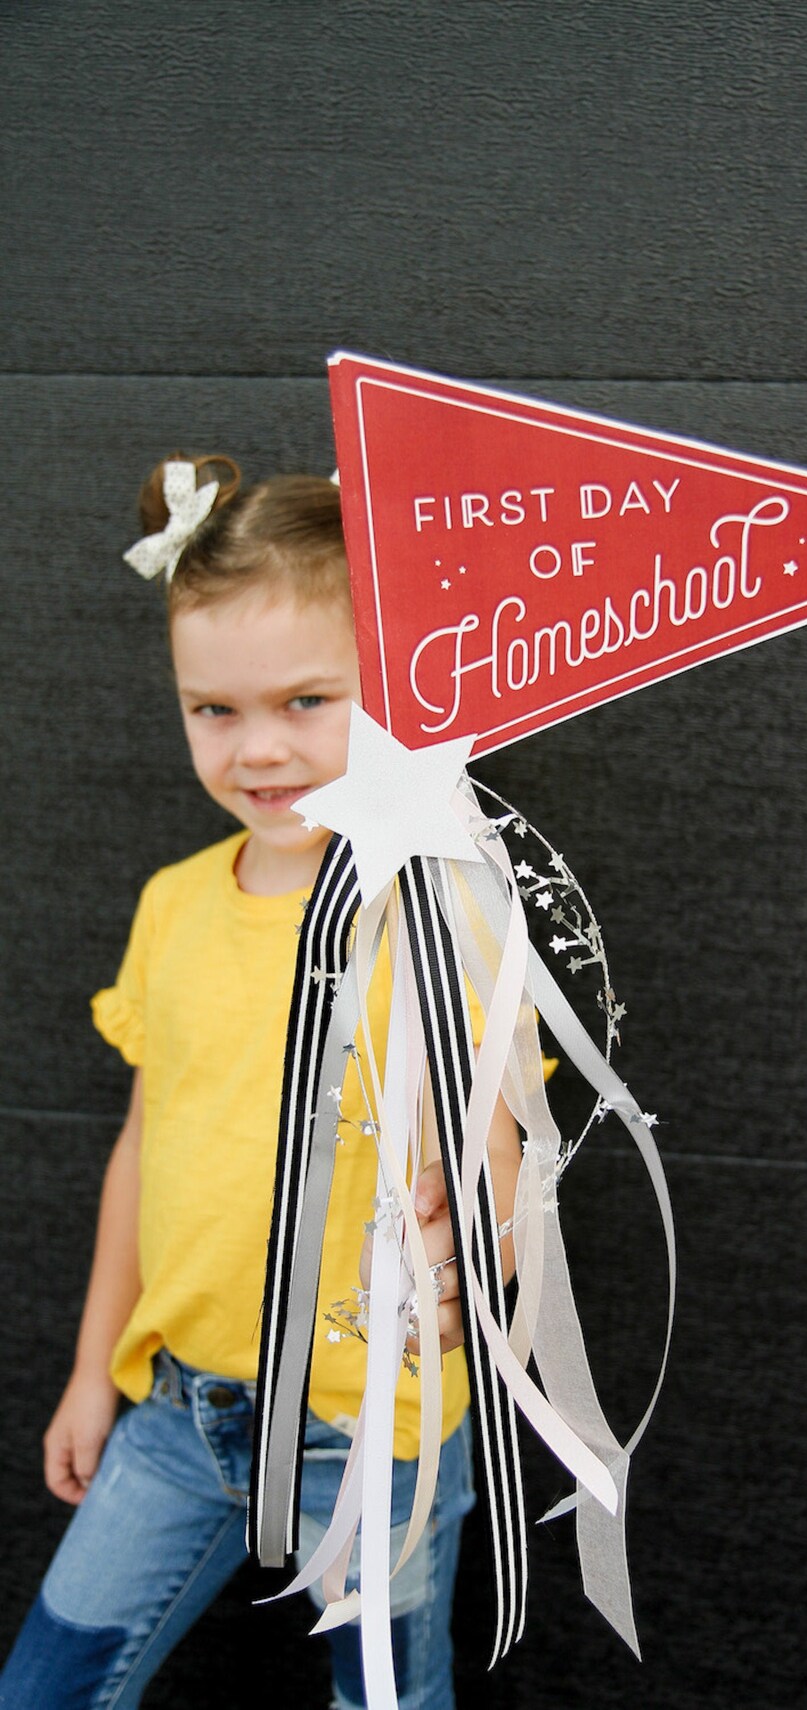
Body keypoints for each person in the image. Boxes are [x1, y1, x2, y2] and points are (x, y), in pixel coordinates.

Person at [0, 455, 522, 1710]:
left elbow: (500, 1139)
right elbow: (145, 1146)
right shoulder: (175, 907)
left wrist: (472, 1264)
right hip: (182, 1411)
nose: (261, 750)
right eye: (214, 711)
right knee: (45, 1691)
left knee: (384, 1700)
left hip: (374, 1424)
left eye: (306, 700)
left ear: (389, 691)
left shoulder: (436, 904)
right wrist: (92, 1371)